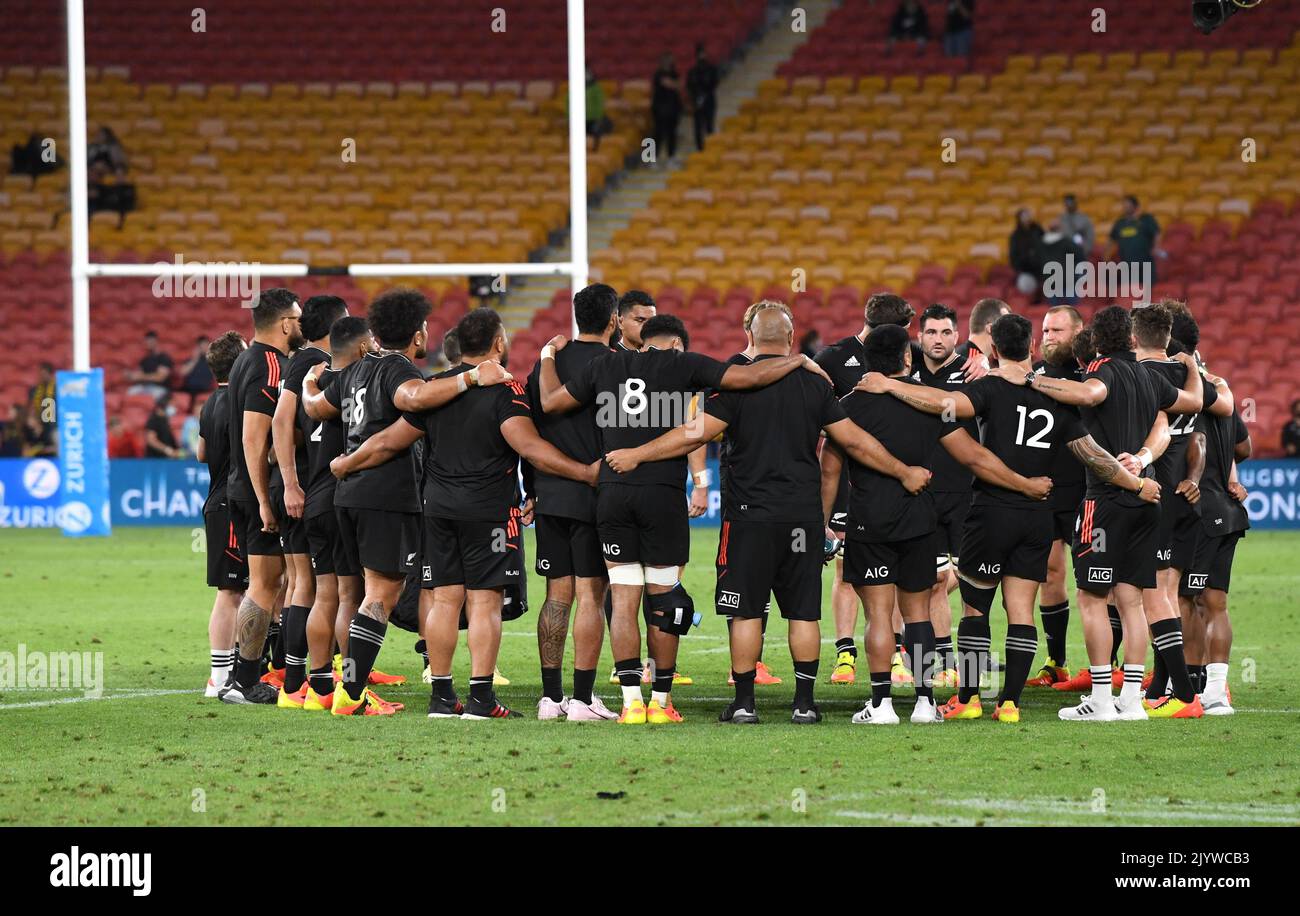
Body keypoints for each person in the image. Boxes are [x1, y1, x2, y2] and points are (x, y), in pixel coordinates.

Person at [605, 307, 925, 724]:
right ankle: (805, 704)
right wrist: (904, 471)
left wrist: (637, 454)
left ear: (751, 336)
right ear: (791, 339)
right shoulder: (815, 382)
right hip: (801, 518)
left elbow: (694, 432)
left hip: (748, 515)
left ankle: (744, 704)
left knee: (746, 611)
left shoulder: (736, 379)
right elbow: (854, 443)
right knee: (803, 612)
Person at [539, 313, 832, 724]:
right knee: (664, 599)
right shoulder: (685, 364)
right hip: (662, 496)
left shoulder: (604, 365)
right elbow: (745, 379)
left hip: (613, 491)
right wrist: (798, 361)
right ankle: (660, 703)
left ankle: (629, 703)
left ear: (642, 340)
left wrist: (547, 353)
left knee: (622, 599)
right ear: (677, 344)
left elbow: (550, 402)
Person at [864, 315, 1150, 723]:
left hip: (991, 512)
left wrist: (891, 383)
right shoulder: (1055, 397)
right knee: (1021, 610)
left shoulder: (987, 388)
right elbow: (1093, 455)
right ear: (1033, 345)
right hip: (1038, 514)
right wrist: (1137, 482)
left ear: (993, 350)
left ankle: (968, 699)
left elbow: (945, 404)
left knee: (976, 609)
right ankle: (1010, 704)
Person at [302, 289, 512, 716]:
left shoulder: (355, 368)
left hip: (348, 496)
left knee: (354, 594)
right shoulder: (398, 370)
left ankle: (351, 686)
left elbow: (318, 409)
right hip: (385, 495)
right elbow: (413, 400)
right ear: (418, 334)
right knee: (381, 595)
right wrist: (470, 377)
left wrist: (307, 384)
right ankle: (352, 694)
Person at [993, 305, 1206, 721]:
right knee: (1132, 600)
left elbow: (1090, 394)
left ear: (1093, 344)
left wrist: (1035, 379)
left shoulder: (1101, 371)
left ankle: (1102, 699)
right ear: (1130, 339)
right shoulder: (1150, 376)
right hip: (1147, 500)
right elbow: (1186, 407)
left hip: (1104, 502)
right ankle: (1130, 700)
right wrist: (1144, 457)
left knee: (1092, 599)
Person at [830, 324, 1041, 725]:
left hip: (869, 520)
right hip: (919, 519)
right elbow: (974, 456)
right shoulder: (926, 405)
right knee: (918, 613)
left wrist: (821, 522)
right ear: (907, 359)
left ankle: (882, 706)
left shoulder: (848, 405)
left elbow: (828, 471)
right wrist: (1023, 484)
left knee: (878, 615)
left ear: (867, 361)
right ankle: (925, 704)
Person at [525, 284, 621, 721]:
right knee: (590, 595)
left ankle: (550, 698)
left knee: (556, 595)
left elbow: (527, 433)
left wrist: (530, 488)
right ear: (614, 318)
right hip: (595, 493)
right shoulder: (619, 367)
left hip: (549, 495)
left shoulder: (545, 365)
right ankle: (583, 698)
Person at [1133, 304, 1234, 705]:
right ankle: (1163, 688)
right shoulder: (1191, 381)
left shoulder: (1135, 377)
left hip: (1152, 493)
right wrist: (1195, 367)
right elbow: (1211, 422)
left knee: (1152, 595)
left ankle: (1184, 693)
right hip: (1186, 498)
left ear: (1134, 338)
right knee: (1171, 594)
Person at [217, 289, 302, 705]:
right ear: (285, 323)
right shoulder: (270, 364)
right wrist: (264, 500)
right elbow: (254, 438)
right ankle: (243, 680)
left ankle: (244, 674)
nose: (301, 327)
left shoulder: (244, 362)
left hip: (243, 487)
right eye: (298, 320)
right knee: (266, 584)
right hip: (256, 490)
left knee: (271, 581)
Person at [269, 295, 353, 707]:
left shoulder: (306, 364)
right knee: (323, 590)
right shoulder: (312, 363)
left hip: (307, 488)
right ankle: (319, 682)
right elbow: (280, 421)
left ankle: (297, 680)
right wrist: (289, 482)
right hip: (314, 489)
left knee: (307, 587)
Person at [299, 316, 373, 712]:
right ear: (361, 348)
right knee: (350, 596)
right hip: (339, 496)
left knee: (322, 595)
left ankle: (317, 687)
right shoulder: (359, 385)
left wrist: (309, 381)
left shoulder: (312, 388)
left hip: (312, 498)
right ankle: (350, 689)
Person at [911, 304, 975, 689]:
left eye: (946, 332)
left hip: (968, 493)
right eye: (931, 332)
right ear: (920, 337)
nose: (938, 339)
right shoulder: (906, 372)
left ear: (957, 336)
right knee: (933, 582)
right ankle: (944, 661)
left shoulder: (972, 371)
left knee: (972, 585)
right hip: (925, 494)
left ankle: (971, 672)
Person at [1027, 305, 1086, 687]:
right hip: (1045, 489)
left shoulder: (1092, 374)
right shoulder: (1033, 375)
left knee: (1096, 579)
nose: (1049, 336)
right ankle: (1056, 661)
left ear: (1078, 333)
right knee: (1050, 570)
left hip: (1086, 489)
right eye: (1046, 330)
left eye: (1058, 330)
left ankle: (1108, 663)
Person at [197, 331, 248, 696]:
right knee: (232, 591)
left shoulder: (209, 403)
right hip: (231, 504)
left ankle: (231, 672)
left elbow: (201, 453)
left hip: (217, 500)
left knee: (240, 590)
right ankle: (219, 678)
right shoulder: (238, 403)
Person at [1108, 194, 1162, 285]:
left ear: (1135, 206)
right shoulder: (1120, 223)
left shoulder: (1146, 219)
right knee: (1129, 292)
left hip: (1145, 264)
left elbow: (1156, 234)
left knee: (1148, 291)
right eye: (1124, 204)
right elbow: (1111, 239)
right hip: (1127, 265)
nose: (1125, 207)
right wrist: (1106, 256)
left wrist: (1156, 247)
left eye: (1127, 204)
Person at [1038, 222, 1087, 306]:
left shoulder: (1040, 244)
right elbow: (1081, 256)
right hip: (1067, 280)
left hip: (1049, 282)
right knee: (1073, 310)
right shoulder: (1066, 242)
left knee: (1054, 310)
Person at [686, 43, 719, 152]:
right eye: (700, 54)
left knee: (709, 126)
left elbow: (714, 83)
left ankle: (711, 147)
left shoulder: (711, 69)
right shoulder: (693, 71)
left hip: (709, 101)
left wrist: (705, 94)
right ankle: (699, 148)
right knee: (698, 127)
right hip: (697, 102)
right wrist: (695, 97)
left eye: (704, 53)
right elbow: (689, 86)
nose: (702, 56)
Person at [651, 54, 683, 162]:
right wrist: (674, 84)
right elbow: (670, 84)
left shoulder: (674, 73)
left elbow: (679, 85)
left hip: (673, 107)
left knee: (672, 134)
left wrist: (674, 84)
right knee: (658, 134)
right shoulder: (658, 74)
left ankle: (671, 157)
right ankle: (651, 159)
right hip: (660, 108)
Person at [126, 331, 173, 399]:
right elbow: (138, 375)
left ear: (156, 341)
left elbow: (160, 377)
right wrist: (131, 375)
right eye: (146, 341)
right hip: (144, 387)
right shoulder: (144, 360)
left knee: (157, 396)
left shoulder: (164, 358)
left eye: (150, 340)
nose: (148, 343)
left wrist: (141, 377)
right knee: (130, 392)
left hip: (159, 388)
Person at [1009, 209, 1044, 296]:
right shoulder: (1016, 236)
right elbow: (1013, 256)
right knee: (1025, 286)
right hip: (1026, 270)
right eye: (1024, 216)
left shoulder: (1038, 231)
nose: (1027, 218)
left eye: (1028, 215)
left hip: (1042, 268)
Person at [177, 336, 215, 403]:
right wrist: (194, 359)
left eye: (206, 345)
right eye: (202, 346)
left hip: (203, 389)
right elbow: (182, 373)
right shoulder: (192, 360)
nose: (204, 348)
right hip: (188, 388)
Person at [144, 393, 182, 459]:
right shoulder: (154, 420)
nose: (174, 408)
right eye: (172, 405)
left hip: (166, 460)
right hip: (155, 460)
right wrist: (167, 450)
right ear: (165, 405)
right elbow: (151, 440)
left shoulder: (165, 421)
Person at [582, 67, 610, 151]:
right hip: (582, 120)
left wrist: (598, 117)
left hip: (593, 119)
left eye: (587, 74)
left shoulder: (596, 89)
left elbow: (599, 104)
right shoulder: (575, 88)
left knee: (596, 131)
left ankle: (595, 149)